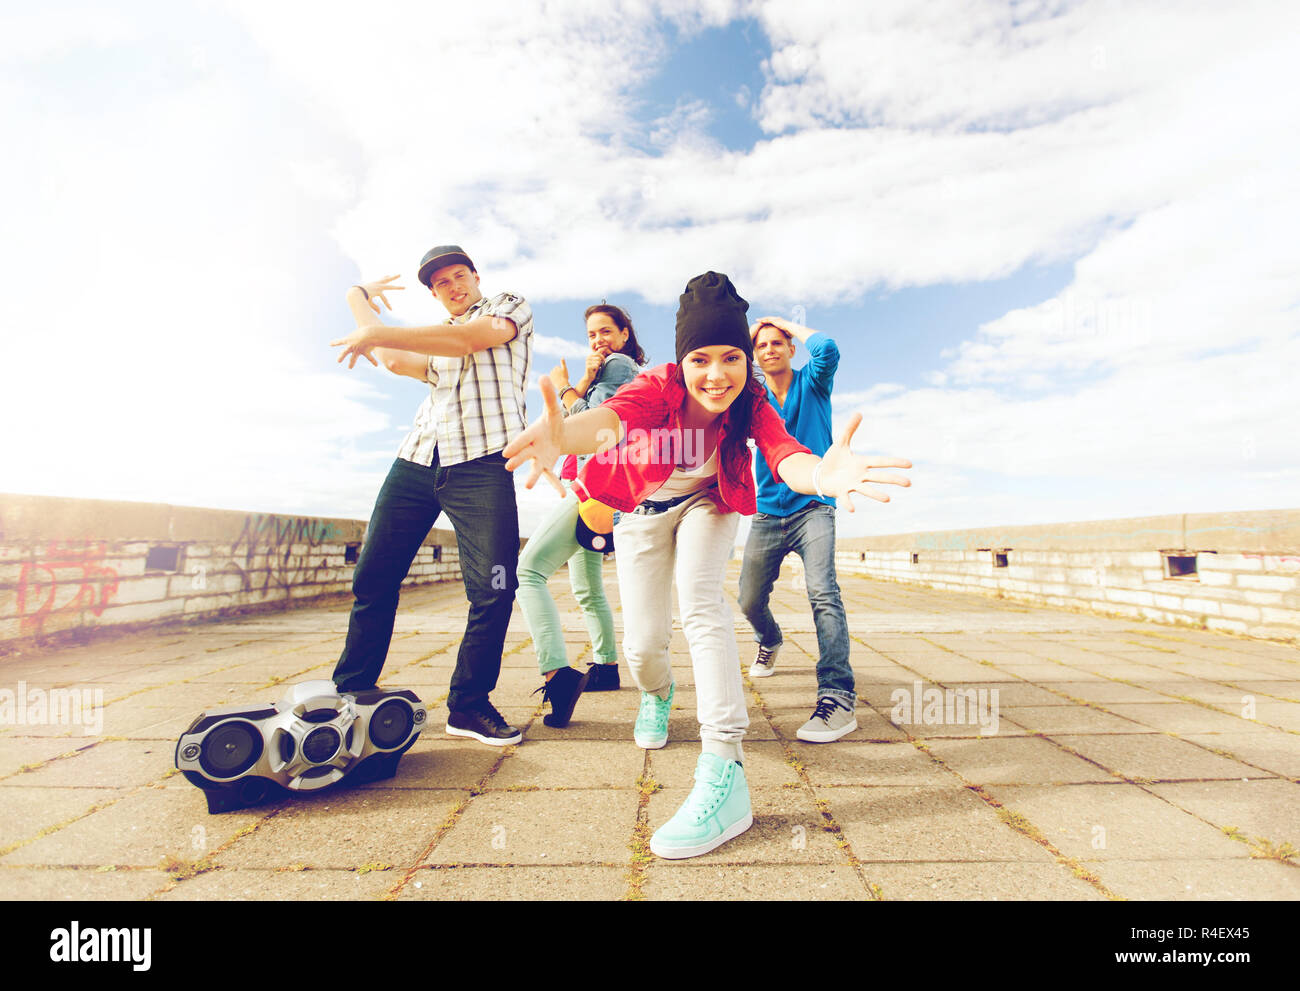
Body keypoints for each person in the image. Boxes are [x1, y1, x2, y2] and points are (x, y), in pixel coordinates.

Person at [504, 272, 911, 859]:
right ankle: (658, 694)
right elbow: (610, 420)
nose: (715, 374)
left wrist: (822, 475)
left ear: (746, 359)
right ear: (682, 360)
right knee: (643, 646)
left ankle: (725, 767)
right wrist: (565, 434)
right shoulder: (656, 386)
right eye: (700, 359)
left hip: (710, 502)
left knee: (701, 604)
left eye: (730, 357)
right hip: (645, 509)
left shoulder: (750, 401)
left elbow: (786, 454)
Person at [327, 244, 532, 747]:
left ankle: (468, 705)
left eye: (459, 276)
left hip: (482, 464)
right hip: (417, 460)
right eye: (441, 284)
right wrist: (357, 298)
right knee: (374, 576)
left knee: (494, 587)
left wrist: (375, 328)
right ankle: (351, 689)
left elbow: (467, 340)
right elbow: (395, 360)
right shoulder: (436, 345)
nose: (453, 286)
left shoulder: (508, 306)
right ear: (435, 294)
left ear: (476, 277)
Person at [516, 304, 646, 726]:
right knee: (587, 589)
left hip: (600, 487)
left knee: (529, 571)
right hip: (589, 488)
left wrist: (569, 388)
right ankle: (606, 667)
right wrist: (582, 382)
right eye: (591, 334)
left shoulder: (621, 365)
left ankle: (558, 677)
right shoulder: (606, 370)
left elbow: (600, 428)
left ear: (625, 335)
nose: (598, 340)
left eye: (607, 331)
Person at [739, 315, 858, 743]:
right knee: (749, 599)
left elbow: (828, 348)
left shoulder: (814, 383)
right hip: (767, 511)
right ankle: (769, 640)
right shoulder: (753, 397)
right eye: (761, 345)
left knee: (823, 592)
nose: (769, 349)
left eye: (777, 342)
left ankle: (838, 696)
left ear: (790, 349)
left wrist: (783, 322)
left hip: (814, 508)